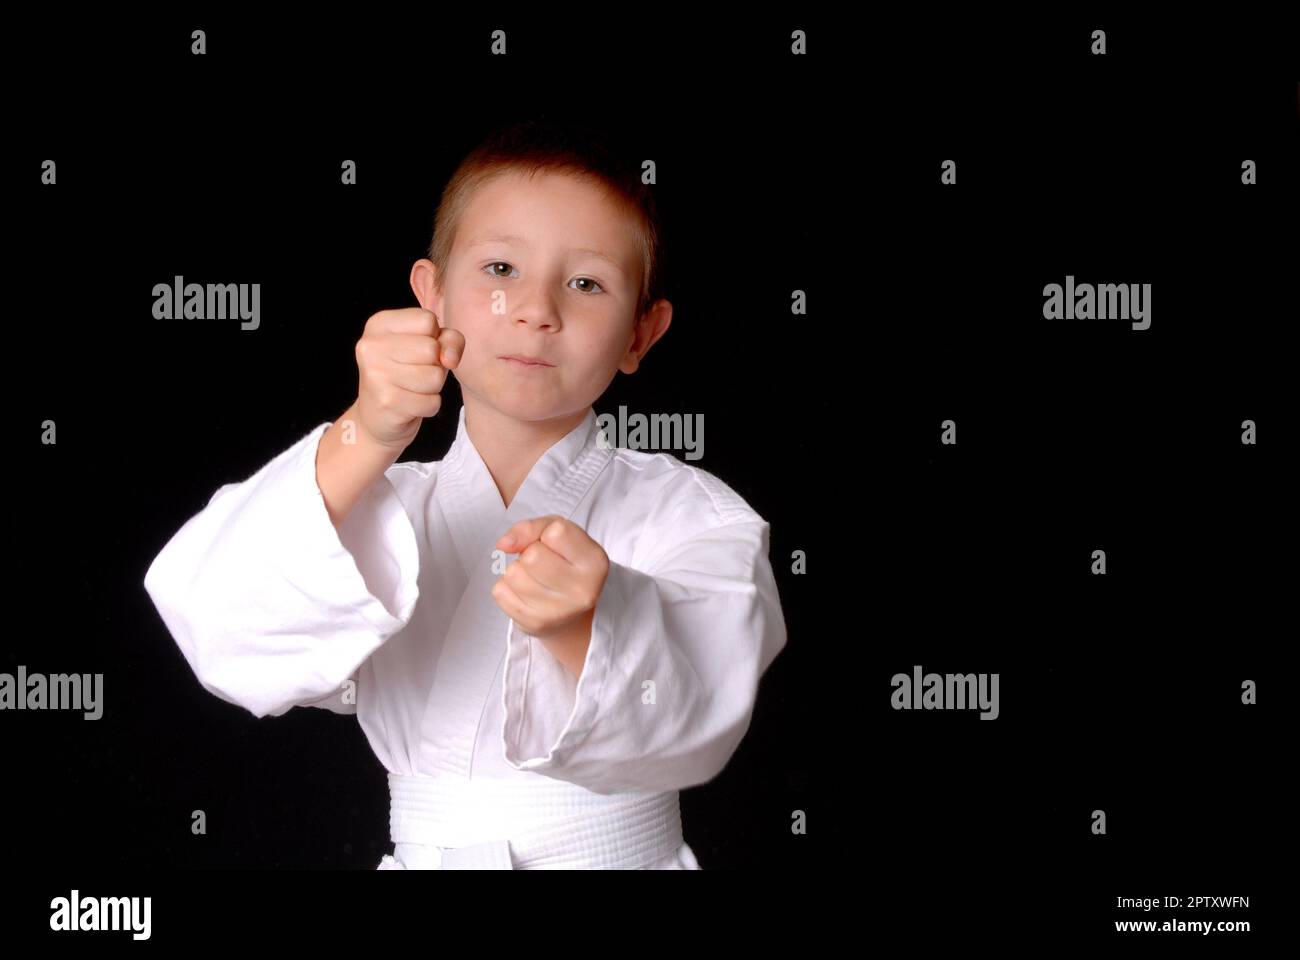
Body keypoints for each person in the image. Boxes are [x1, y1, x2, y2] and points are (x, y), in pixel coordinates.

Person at [143, 118, 788, 870]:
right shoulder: (375, 503)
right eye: (500, 269)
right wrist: (364, 433)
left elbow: (704, 713)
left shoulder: (693, 515)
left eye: (586, 283)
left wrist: (590, 625)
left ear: (642, 333)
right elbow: (217, 623)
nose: (537, 308)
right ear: (433, 294)